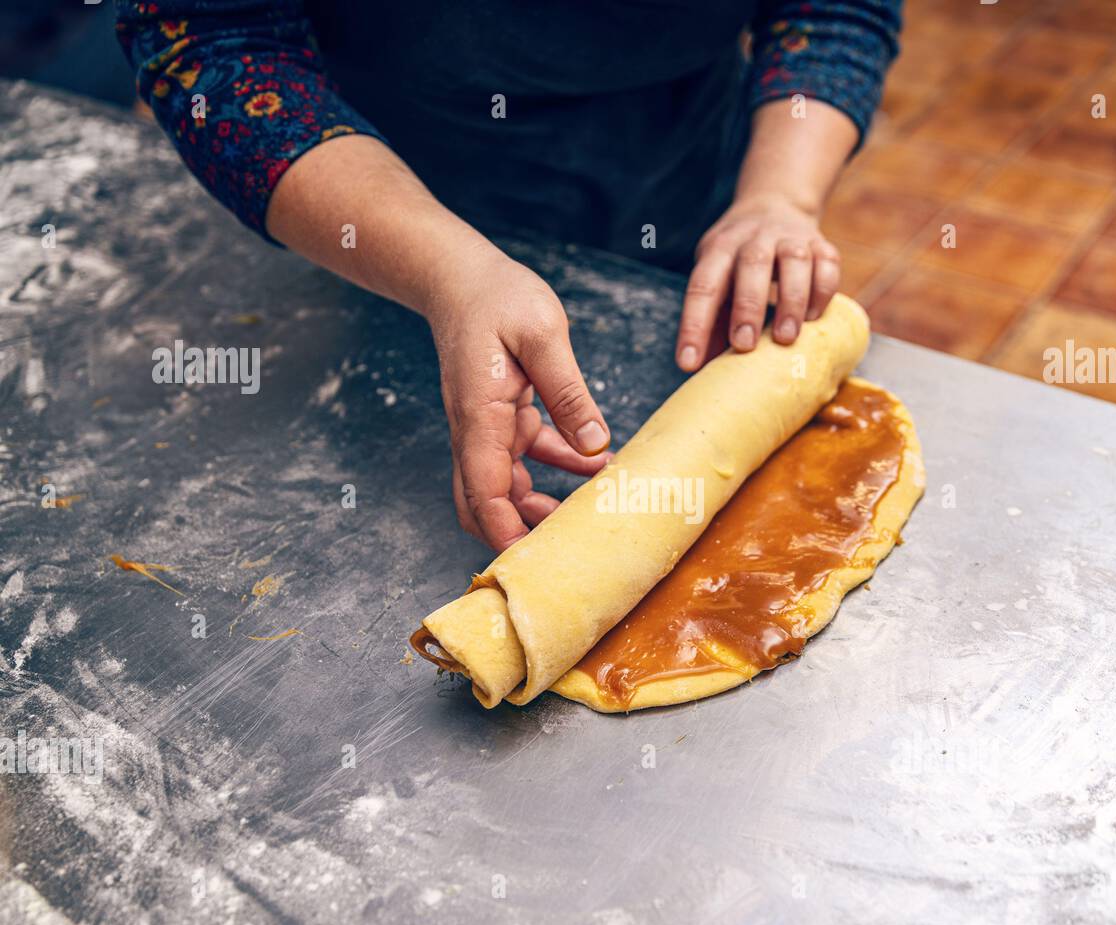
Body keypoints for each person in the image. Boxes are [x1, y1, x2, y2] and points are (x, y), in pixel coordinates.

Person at [116, 1, 902, 550]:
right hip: (377, 206)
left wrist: (779, 195)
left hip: (691, 194)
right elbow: (216, 41)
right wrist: (447, 270)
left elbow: (831, 5)